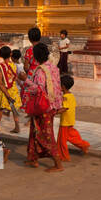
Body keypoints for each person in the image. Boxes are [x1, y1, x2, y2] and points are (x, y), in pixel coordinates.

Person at [20, 41, 63, 171]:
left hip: (44, 106)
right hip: (52, 104)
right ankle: (33, 158)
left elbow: (38, 90)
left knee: (46, 135)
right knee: (34, 130)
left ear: (36, 57)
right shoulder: (54, 67)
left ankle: (58, 164)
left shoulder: (40, 71)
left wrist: (24, 80)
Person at [55, 74, 90, 160]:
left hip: (65, 122)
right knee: (72, 137)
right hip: (70, 120)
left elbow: (65, 108)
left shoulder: (65, 97)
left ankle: (64, 156)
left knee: (61, 140)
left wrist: (54, 112)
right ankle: (84, 145)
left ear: (62, 86)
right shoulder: (71, 96)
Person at [0, 45, 22, 134]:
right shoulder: (13, 65)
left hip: (4, 90)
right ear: (11, 54)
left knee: (0, 109)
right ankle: (17, 127)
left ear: (0, 55)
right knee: (14, 109)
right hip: (13, 89)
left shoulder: (0, 67)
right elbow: (15, 77)